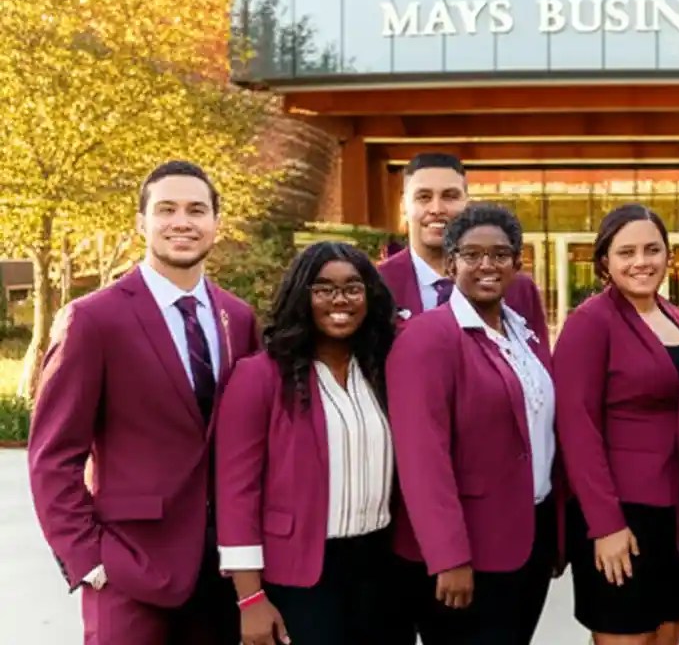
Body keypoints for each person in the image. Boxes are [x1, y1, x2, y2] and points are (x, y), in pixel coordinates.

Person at [27, 161, 260, 645]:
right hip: (129, 567)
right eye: (166, 209)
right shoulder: (93, 320)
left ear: (216, 222)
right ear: (141, 223)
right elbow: (53, 455)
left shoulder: (237, 318)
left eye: (197, 210)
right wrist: (87, 558)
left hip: (221, 571)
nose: (182, 221)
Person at [387, 203, 559, 645]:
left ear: (518, 264)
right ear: (450, 263)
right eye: (472, 254)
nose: (487, 265)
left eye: (500, 254)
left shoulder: (524, 334)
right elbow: (422, 459)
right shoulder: (427, 339)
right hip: (468, 553)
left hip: (528, 540)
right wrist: (448, 557)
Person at [215, 242, 400, 645]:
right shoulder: (260, 377)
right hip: (300, 575)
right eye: (323, 288)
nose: (340, 300)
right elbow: (236, 492)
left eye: (353, 287)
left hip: (381, 569)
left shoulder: (382, 370)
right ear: (302, 296)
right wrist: (250, 598)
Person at [555, 204, 679, 645]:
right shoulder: (590, 323)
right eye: (627, 252)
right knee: (628, 636)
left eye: (653, 249)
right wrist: (605, 525)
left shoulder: (675, 316)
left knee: (671, 632)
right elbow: (576, 429)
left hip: (675, 514)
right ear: (605, 261)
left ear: (668, 256)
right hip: (621, 515)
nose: (642, 261)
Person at [377, 152, 547, 341]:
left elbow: (538, 363)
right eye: (424, 197)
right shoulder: (378, 284)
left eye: (450, 196)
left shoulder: (517, 287)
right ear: (403, 206)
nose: (437, 209)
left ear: (467, 202)